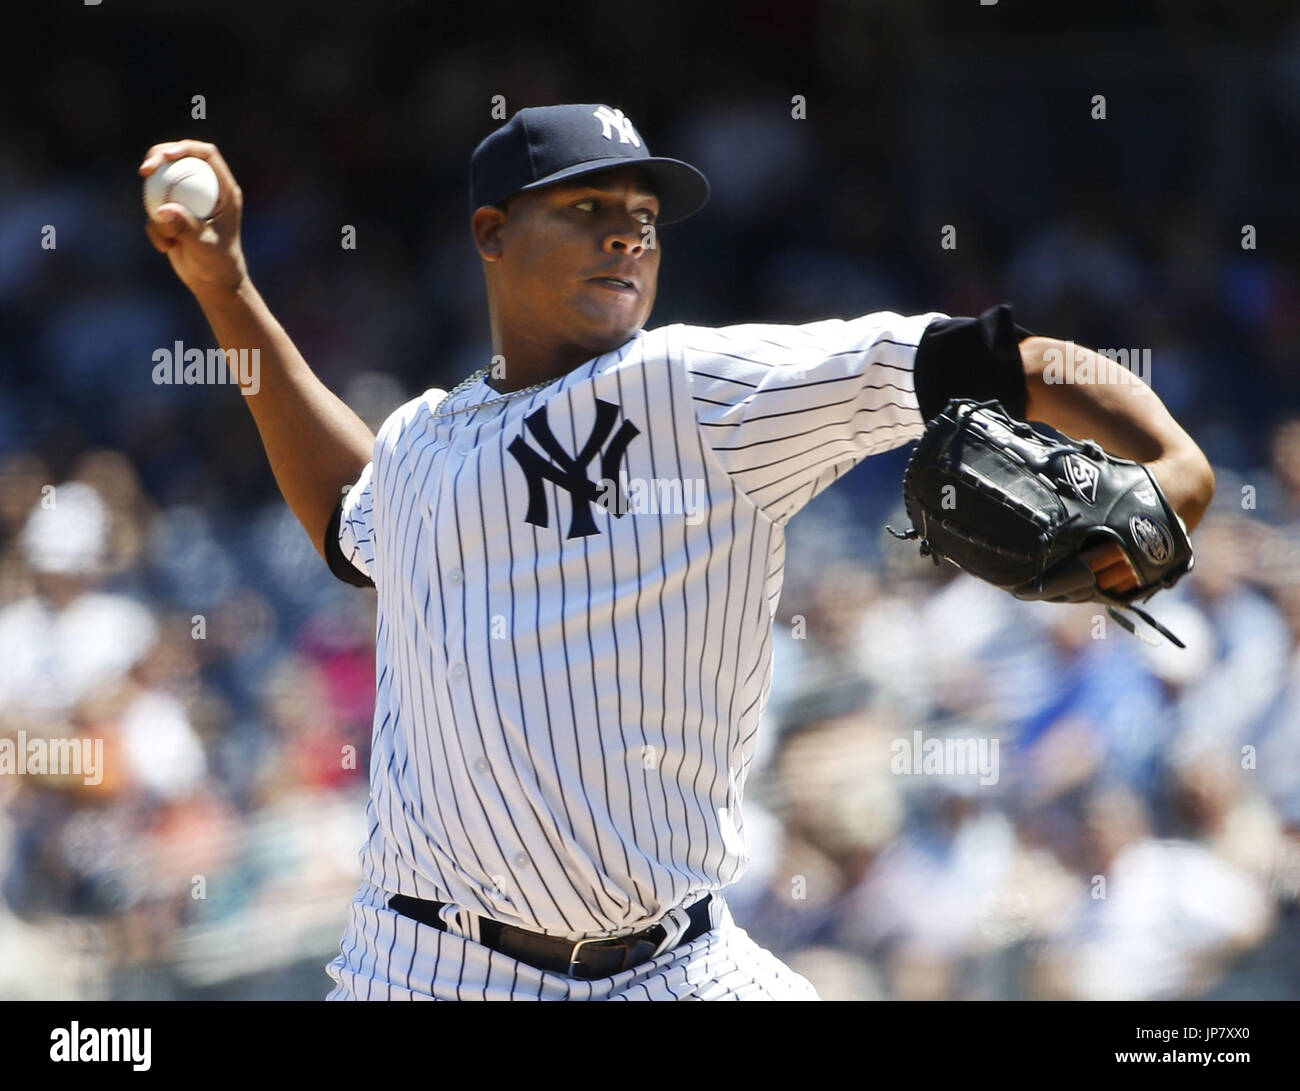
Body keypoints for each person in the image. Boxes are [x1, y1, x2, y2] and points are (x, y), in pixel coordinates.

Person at [140, 103, 1215, 1000]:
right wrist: (223, 285)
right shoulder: (426, 437)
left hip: (679, 962)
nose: (627, 235)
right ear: (490, 233)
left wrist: (1173, 464)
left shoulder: (699, 386)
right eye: (588, 208)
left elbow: (1003, 356)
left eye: (644, 218)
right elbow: (345, 513)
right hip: (426, 965)